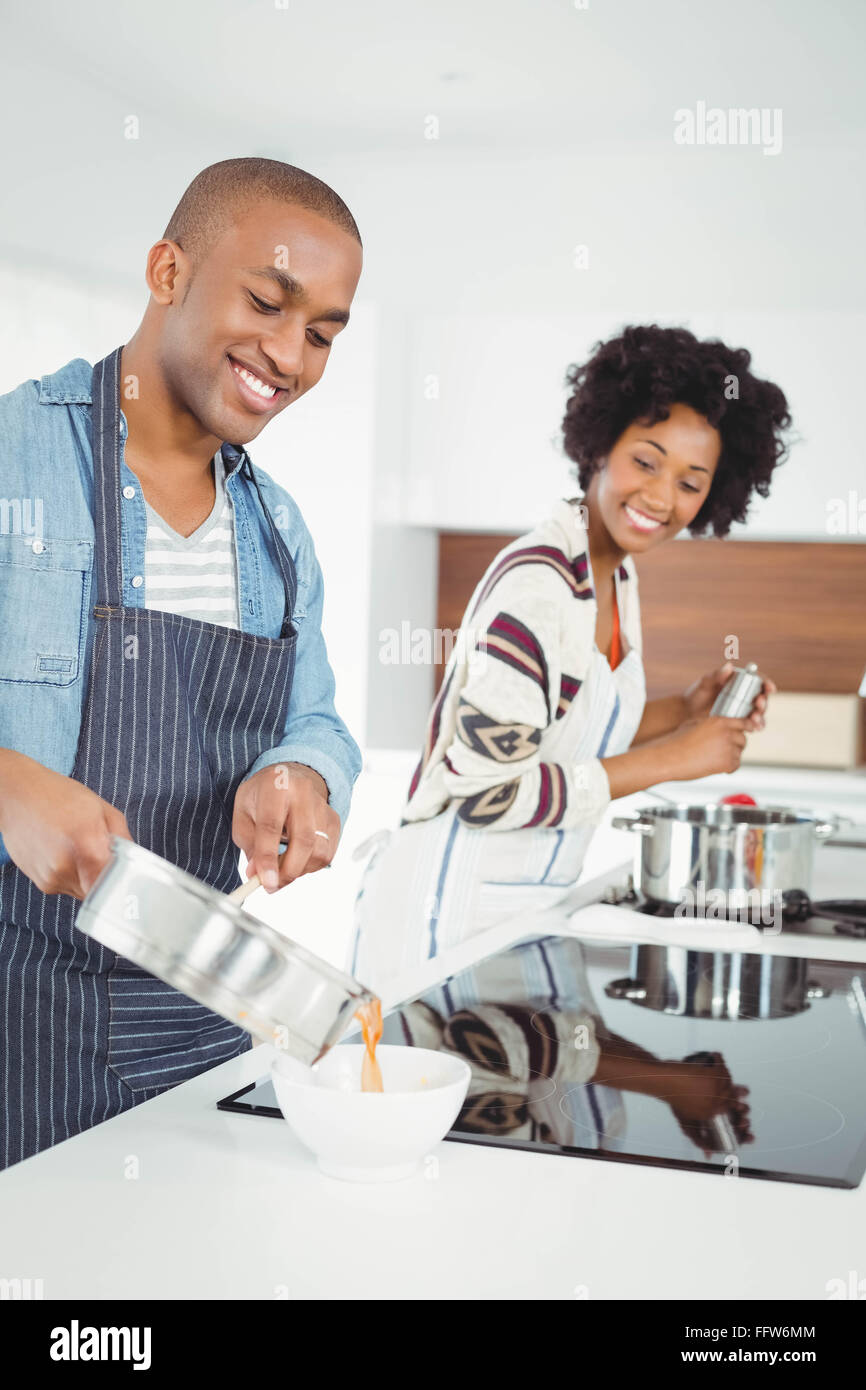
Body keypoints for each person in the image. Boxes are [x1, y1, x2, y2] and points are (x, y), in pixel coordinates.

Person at [0, 157, 364, 1168]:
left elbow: (320, 719)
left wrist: (300, 772)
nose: (289, 353)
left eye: (324, 333)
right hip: (18, 1017)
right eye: (268, 301)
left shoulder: (276, 528)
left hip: (202, 1018)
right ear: (167, 271)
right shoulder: (12, 459)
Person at [350, 324, 791, 996]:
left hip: (517, 910)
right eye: (646, 462)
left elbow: (565, 734)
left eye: (690, 482)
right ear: (600, 445)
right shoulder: (540, 587)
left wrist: (686, 713)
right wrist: (678, 758)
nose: (662, 499)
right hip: (441, 918)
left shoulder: (612, 575)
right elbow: (487, 792)